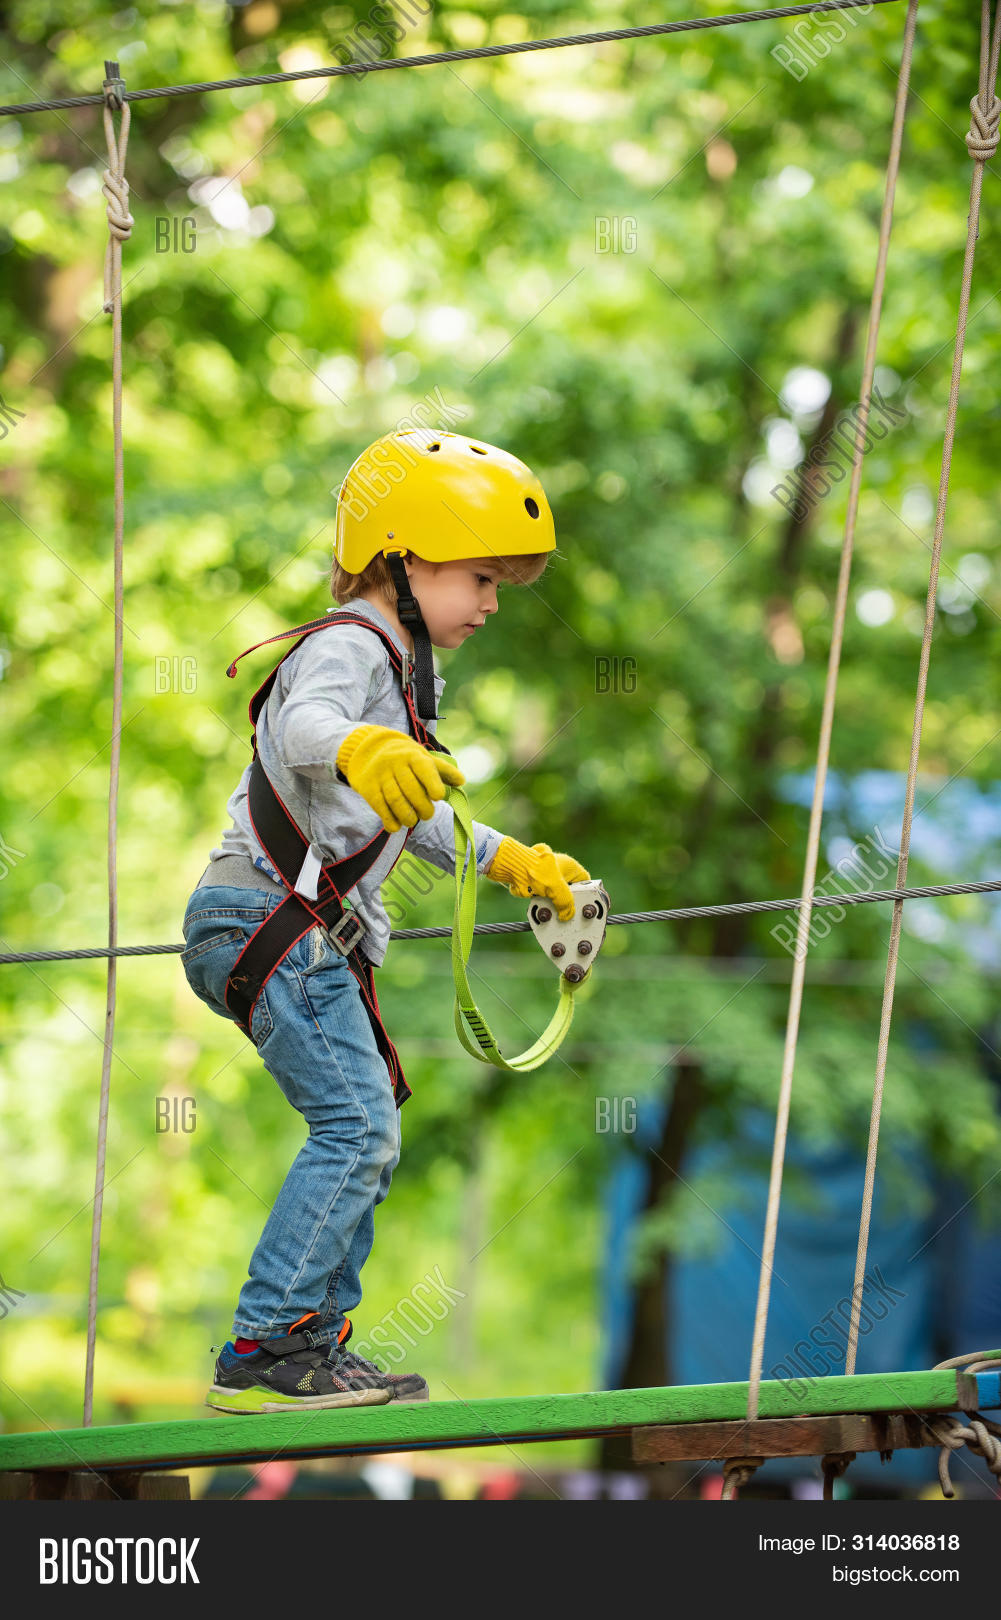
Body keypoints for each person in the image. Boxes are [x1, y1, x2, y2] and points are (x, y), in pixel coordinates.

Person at [181, 429, 591, 1413]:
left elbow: (411, 813)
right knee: (356, 1125)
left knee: (367, 1128)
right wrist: (362, 746)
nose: (492, 604)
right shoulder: (351, 644)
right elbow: (303, 728)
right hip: (263, 915)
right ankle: (266, 1347)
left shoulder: (401, 669)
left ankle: (311, 1345)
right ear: (406, 558)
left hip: (286, 927)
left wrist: (508, 861)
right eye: (481, 579)